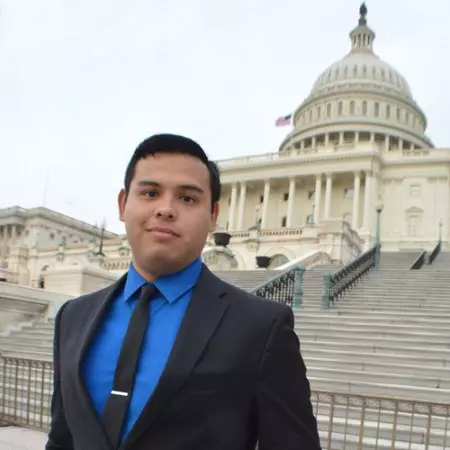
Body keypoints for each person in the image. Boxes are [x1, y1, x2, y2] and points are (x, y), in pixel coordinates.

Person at [46, 133, 321, 450]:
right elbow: (61, 439)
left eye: (188, 198)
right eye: (150, 193)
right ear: (123, 204)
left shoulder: (261, 327)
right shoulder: (72, 317)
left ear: (213, 216)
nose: (165, 209)